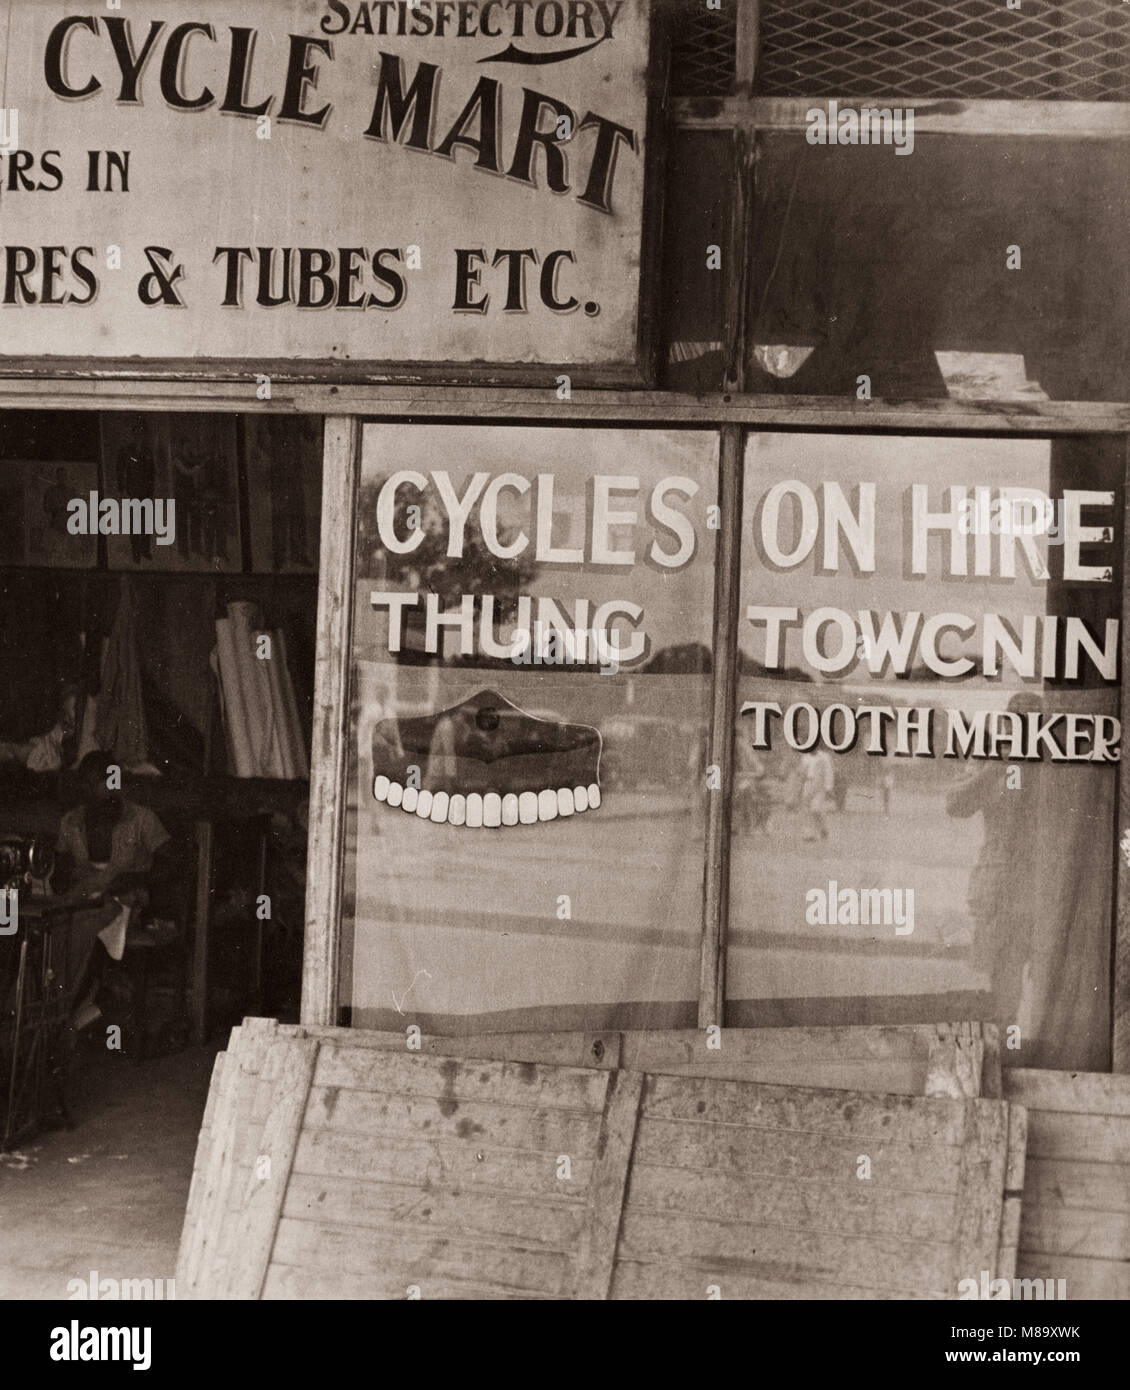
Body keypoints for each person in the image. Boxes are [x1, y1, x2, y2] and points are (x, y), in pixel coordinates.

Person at [53, 752, 172, 1029]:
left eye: (105, 782)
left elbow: (172, 865)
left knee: (82, 925)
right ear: (82, 787)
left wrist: (132, 880)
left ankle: (64, 1012)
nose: (99, 790)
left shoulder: (141, 818)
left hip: (128, 902)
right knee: (57, 926)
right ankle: (55, 1010)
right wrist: (69, 880)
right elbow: (58, 874)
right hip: (83, 899)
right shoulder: (71, 822)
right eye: (90, 784)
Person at [0, 685, 77, 773]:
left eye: (74, 708)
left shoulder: (77, 734)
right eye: (65, 712)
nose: (68, 716)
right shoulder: (59, 729)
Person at [801, 745, 835, 843]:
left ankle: (824, 829)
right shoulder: (805, 756)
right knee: (807, 811)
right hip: (807, 784)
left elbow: (829, 772)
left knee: (816, 809)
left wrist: (829, 788)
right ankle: (810, 834)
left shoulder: (824, 757)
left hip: (819, 784)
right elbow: (802, 772)